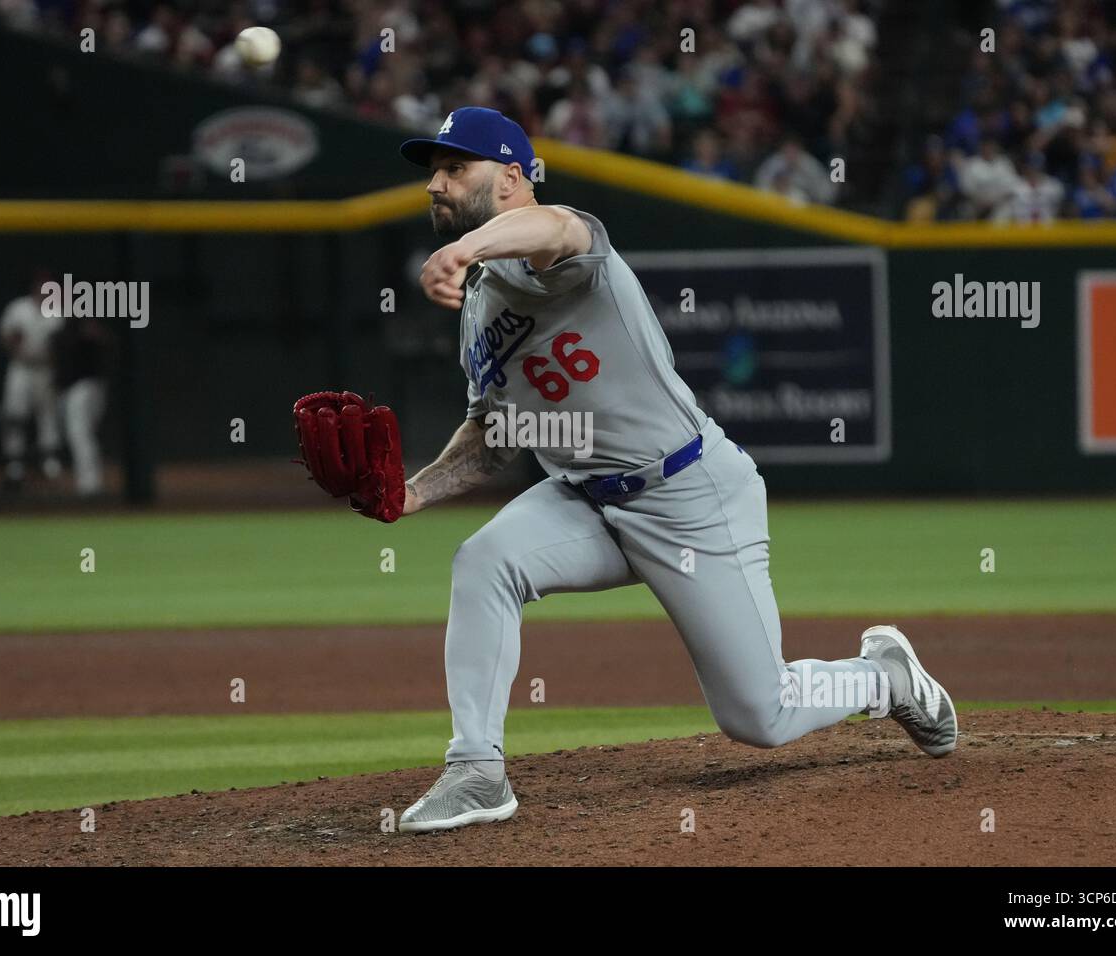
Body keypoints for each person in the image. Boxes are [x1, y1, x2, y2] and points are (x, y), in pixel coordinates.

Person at [386, 108, 957, 834]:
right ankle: (476, 772)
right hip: (584, 502)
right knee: (485, 561)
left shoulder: (558, 239)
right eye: (431, 170)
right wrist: (414, 493)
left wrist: (466, 247)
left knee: (760, 716)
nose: (434, 182)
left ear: (509, 178)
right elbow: (497, 436)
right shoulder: (477, 306)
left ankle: (886, 678)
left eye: (452, 167)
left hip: (689, 493)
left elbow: (553, 230)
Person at [0, 269, 63, 491]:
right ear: (34, 288)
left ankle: (49, 461)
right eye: (41, 286)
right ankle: (14, 463)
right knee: (14, 414)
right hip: (21, 368)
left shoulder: (57, 310)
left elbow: (60, 344)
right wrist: (13, 344)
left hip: (45, 369)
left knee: (48, 415)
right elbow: (5, 335)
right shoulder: (19, 307)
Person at [55, 314, 113, 497]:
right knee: (80, 435)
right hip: (72, 388)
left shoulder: (83, 325)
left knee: (80, 434)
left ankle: (90, 484)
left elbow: (103, 339)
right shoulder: (63, 327)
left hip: (85, 387)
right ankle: (88, 481)